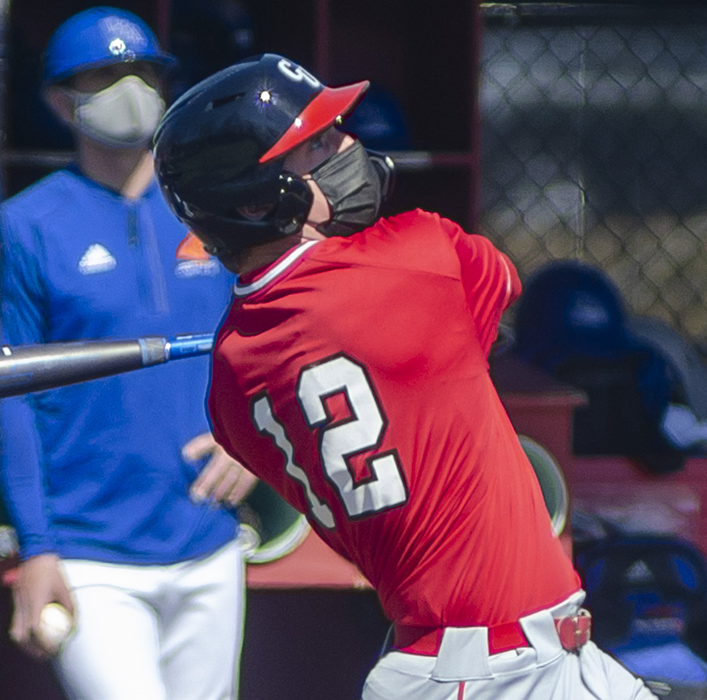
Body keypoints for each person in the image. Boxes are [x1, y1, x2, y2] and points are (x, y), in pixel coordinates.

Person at [152, 53, 656, 700]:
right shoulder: (415, 259)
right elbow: (493, 287)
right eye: (318, 146)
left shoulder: (229, 377)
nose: (350, 146)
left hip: (507, 658)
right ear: (256, 201)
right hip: (490, 669)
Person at [0, 8, 254, 700]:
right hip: (88, 555)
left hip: (208, 541)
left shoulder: (211, 208)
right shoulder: (29, 224)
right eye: (105, 76)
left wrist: (252, 440)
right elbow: (12, 392)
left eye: (143, 72)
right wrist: (38, 548)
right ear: (59, 100)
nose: (130, 88)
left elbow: (271, 340)